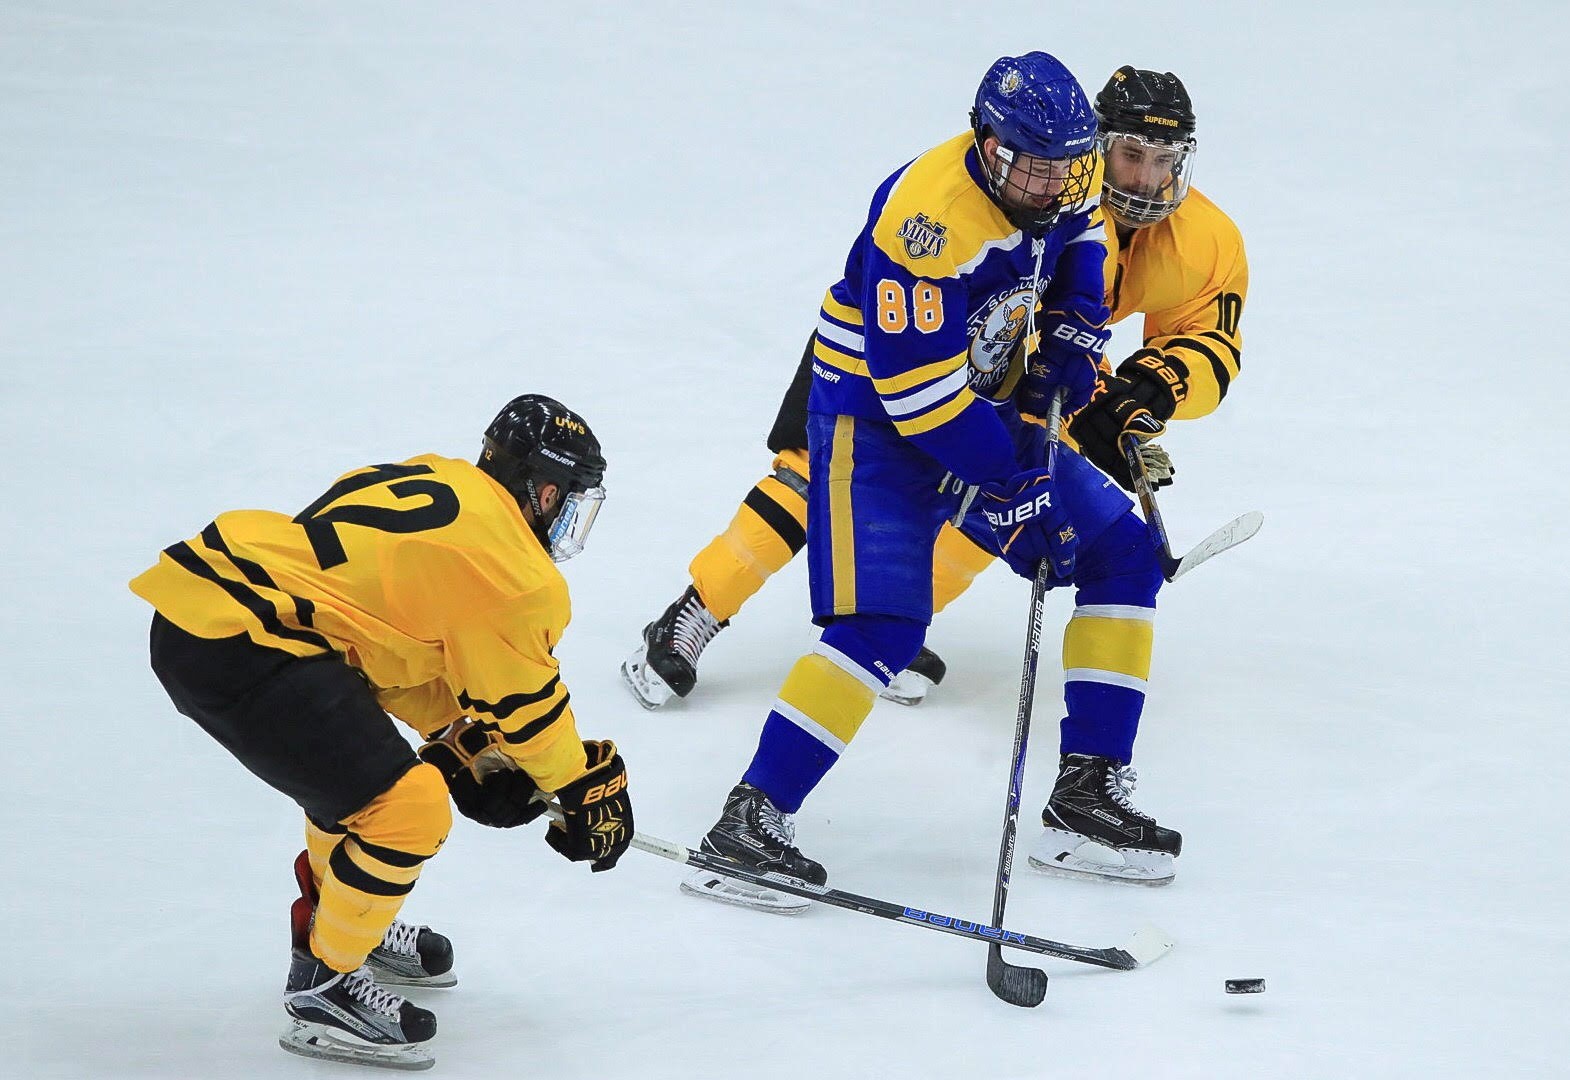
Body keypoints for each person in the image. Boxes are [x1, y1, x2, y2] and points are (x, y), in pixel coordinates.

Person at [671, 50, 1189, 914]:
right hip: (875, 422)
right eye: (1037, 166)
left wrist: (1068, 337)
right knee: (883, 624)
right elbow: (919, 401)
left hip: (976, 406)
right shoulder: (925, 223)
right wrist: (1007, 478)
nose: (1057, 183)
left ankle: (1084, 798)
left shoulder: (1061, 171)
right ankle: (747, 822)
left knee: (1121, 555)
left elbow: (1085, 246)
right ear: (990, 146)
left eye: (1070, 166)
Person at [623, 63, 1246, 712]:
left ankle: (894, 627)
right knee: (817, 482)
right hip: (887, 341)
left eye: (1163, 160)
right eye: (1131, 155)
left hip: (1000, 355)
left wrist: (1150, 393)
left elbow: (1207, 339)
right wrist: (1087, 399)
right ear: (1096, 144)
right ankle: (694, 613)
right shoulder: (1039, 187)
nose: (1147, 179)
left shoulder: (1205, 238)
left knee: (1002, 492)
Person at [129, 394, 634, 1071]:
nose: (565, 516)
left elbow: (379, 642)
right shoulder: (514, 571)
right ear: (542, 490)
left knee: (355, 787)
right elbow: (528, 707)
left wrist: (462, 737)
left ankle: (345, 921)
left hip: (218, 618)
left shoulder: (440, 480)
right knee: (405, 808)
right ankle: (325, 985)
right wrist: (577, 789)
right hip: (245, 647)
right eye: (568, 499)